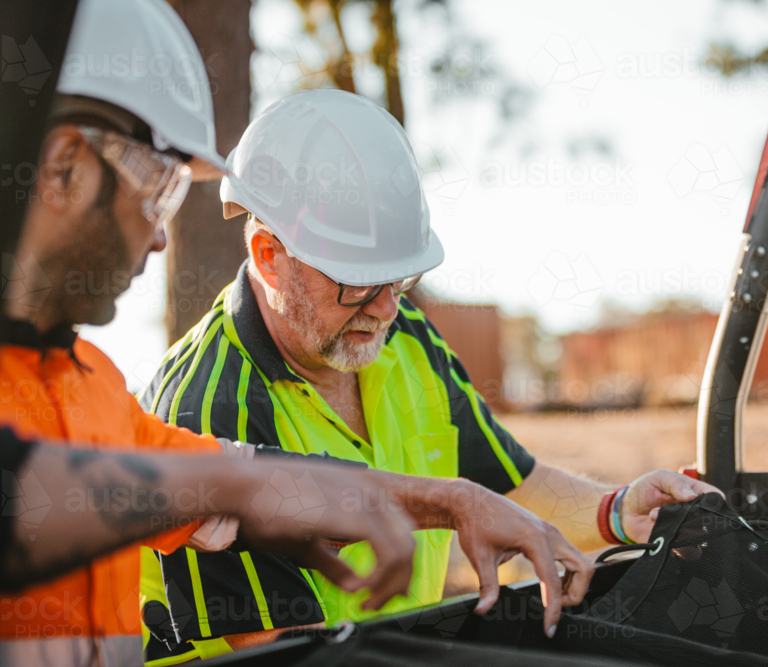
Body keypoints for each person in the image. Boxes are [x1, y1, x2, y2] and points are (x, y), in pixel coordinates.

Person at [0, 1, 592, 664]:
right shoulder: (183, 394)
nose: (163, 233)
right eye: (158, 186)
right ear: (61, 168)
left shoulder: (94, 391)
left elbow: (237, 477)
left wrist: (450, 500)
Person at [141, 88, 720, 662]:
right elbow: (284, 657)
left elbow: (509, 486)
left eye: (399, 280)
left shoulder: (402, 333)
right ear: (269, 255)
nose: (387, 309)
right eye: (359, 283)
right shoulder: (208, 407)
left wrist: (619, 510)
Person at [0, 429, 417, 604]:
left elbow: (206, 462)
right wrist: (237, 486)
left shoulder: (96, 379)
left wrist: (450, 498)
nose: (161, 239)